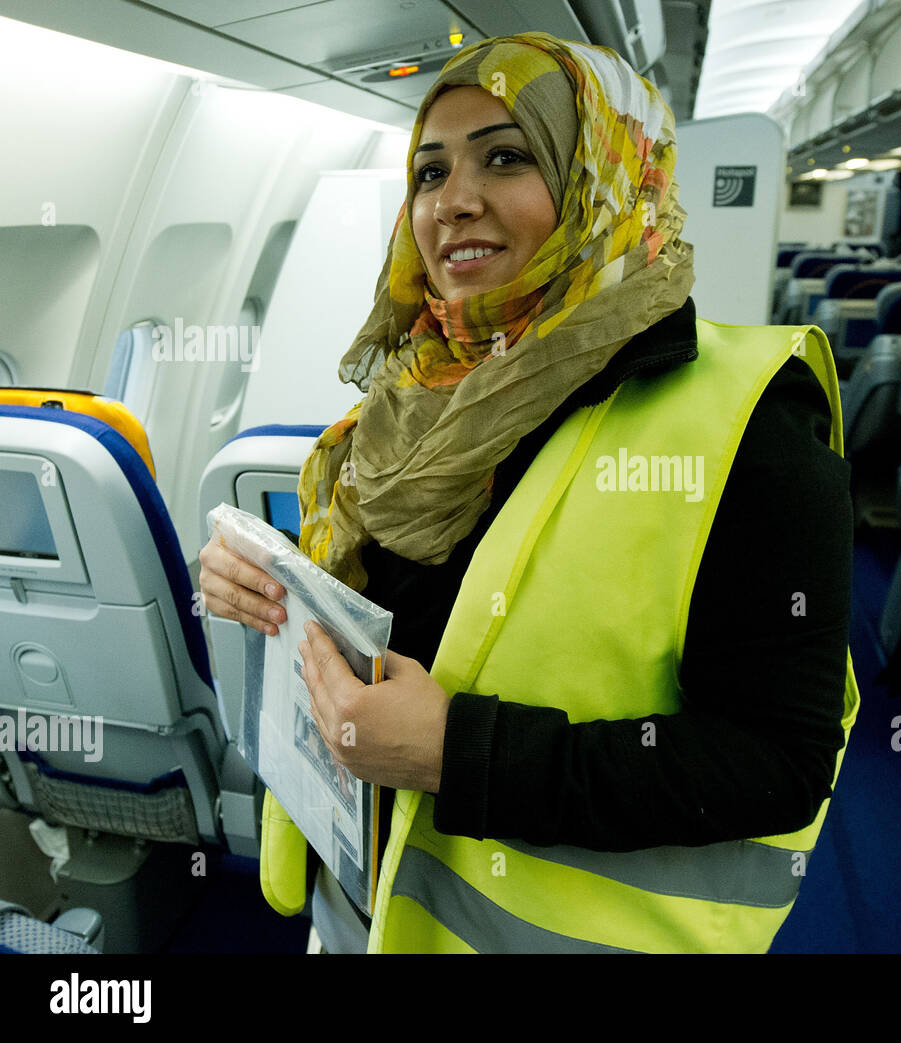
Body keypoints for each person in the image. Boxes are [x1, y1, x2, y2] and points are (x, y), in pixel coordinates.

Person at [198, 31, 860, 953]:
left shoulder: (752, 424)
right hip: (360, 901)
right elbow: (397, 624)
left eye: (505, 158)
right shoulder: (420, 392)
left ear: (603, 179)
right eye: (429, 174)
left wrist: (453, 753)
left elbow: (777, 762)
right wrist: (266, 585)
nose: (453, 203)